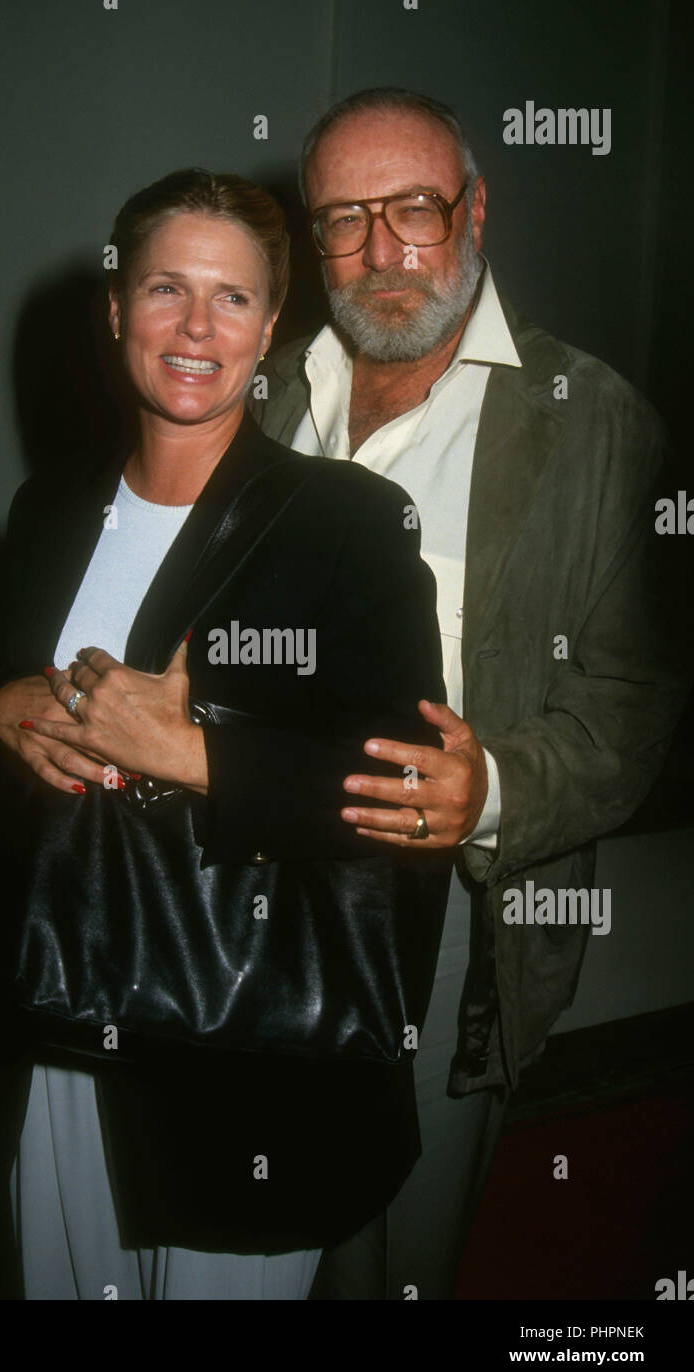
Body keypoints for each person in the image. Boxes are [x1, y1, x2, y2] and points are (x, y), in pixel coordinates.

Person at [0, 168, 451, 1300]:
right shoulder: (46, 509)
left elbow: (412, 791)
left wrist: (195, 749)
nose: (197, 327)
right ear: (114, 309)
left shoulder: (342, 522)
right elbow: (6, 772)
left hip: (238, 1063)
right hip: (60, 1030)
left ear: (271, 325)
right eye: (166, 290)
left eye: (233, 298)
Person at [250, 88, 690, 1299]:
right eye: (345, 219)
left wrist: (488, 787)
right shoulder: (264, 397)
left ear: (476, 210)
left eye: (416, 210)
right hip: (246, 876)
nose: (382, 252)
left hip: (450, 913)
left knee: (388, 1254)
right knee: (247, 1228)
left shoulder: (591, 424)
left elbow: (632, 705)